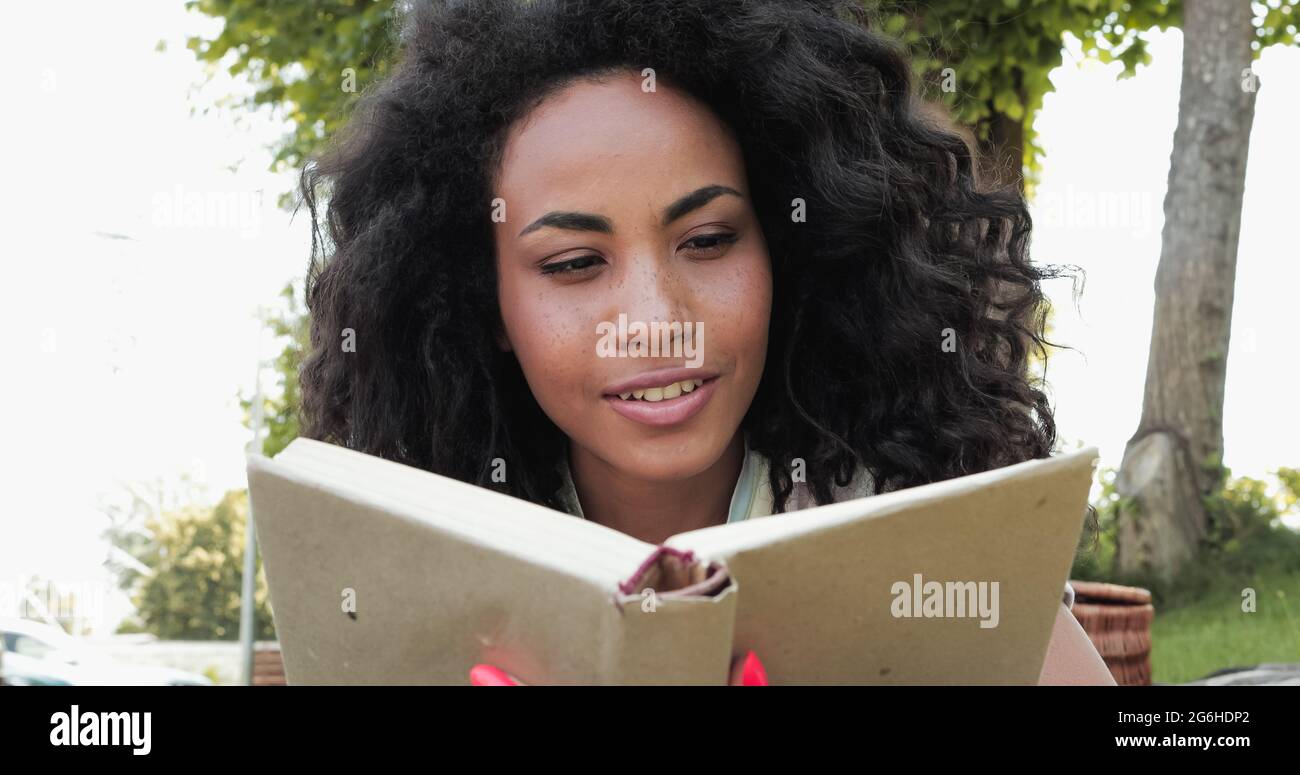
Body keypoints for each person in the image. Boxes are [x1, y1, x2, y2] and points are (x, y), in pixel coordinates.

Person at [298, 0, 1114, 686]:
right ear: (485, 303)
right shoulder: (416, 567)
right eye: (576, 263)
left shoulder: (922, 532)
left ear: (788, 251)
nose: (657, 317)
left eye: (709, 239)